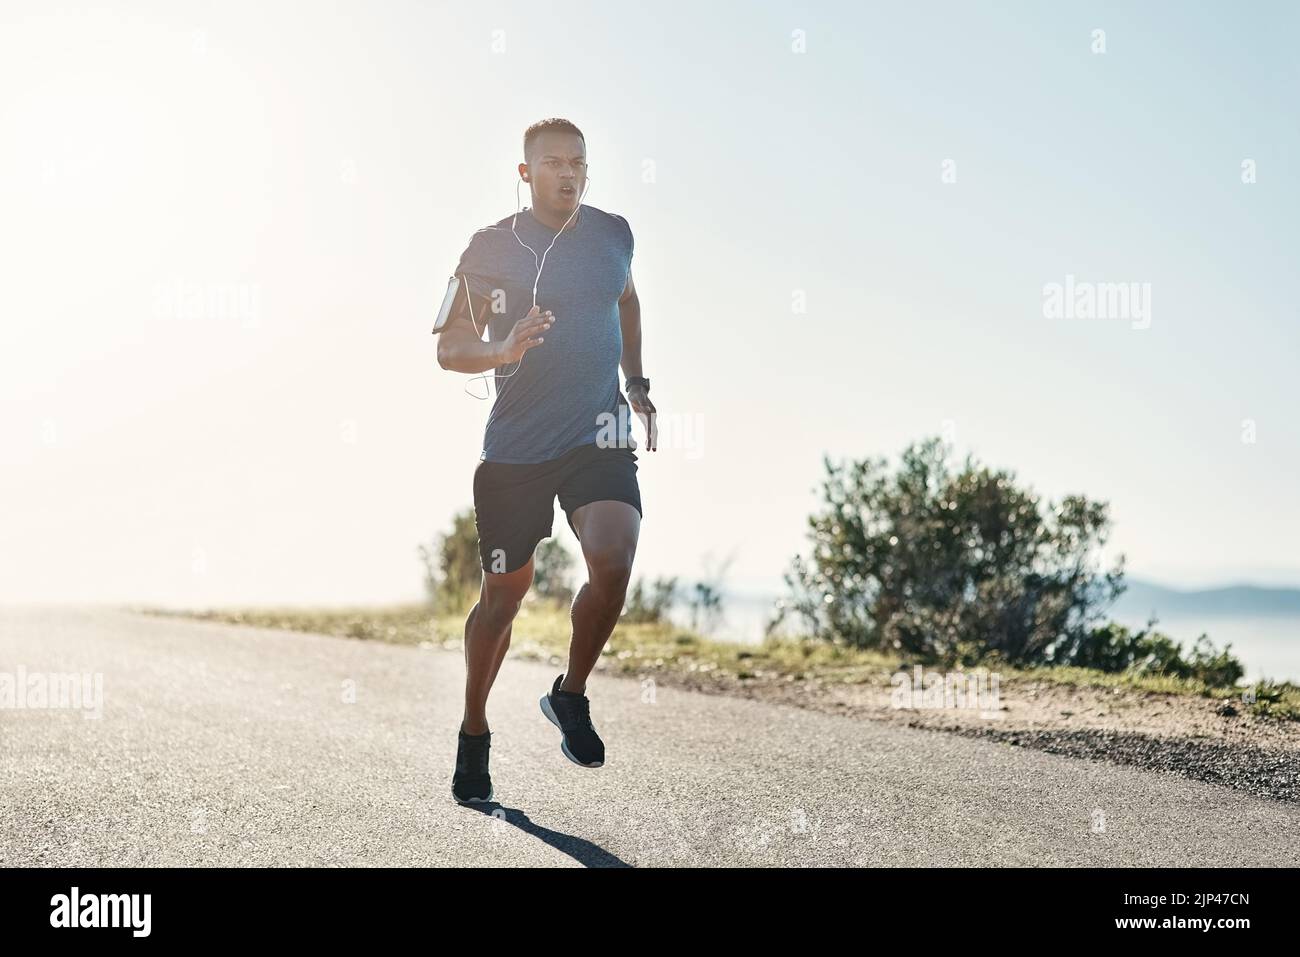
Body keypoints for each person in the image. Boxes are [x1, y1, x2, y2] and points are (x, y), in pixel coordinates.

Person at [436, 118, 657, 804]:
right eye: (554, 163)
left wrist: (638, 384)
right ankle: (475, 728)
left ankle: (570, 692)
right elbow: (449, 348)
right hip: (516, 451)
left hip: (598, 433)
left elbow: (625, 297)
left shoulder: (613, 233)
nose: (569, 173)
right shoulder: (488, 248)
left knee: (615, 559)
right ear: (526, 173)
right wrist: (502, 352)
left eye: (579, 163)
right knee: (503, 599)